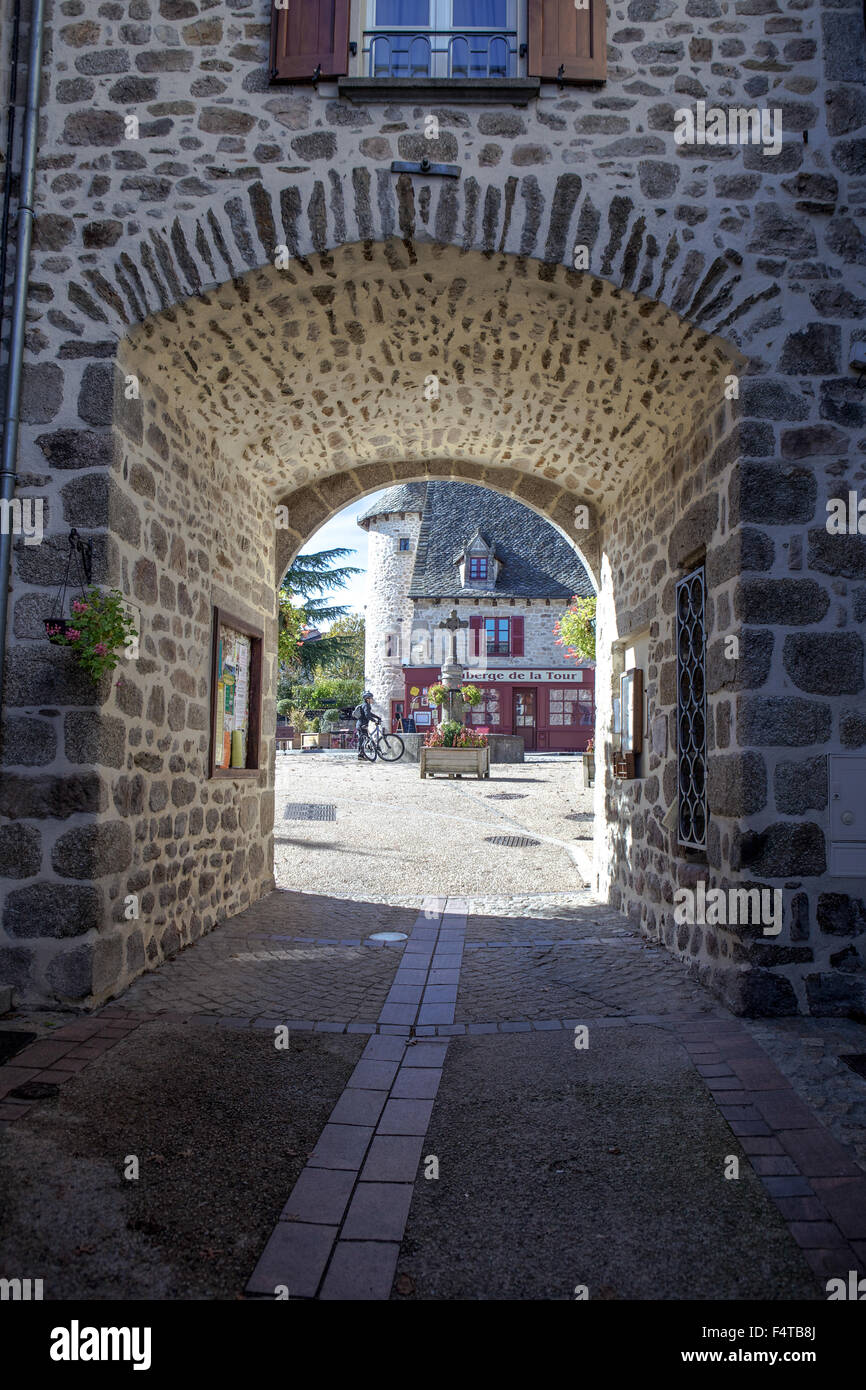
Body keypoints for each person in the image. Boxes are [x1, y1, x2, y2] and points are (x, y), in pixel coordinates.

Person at [352, 691, 380, 759]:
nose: (372, 699)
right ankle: (360, 755)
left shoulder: (365, 705)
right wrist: (374, 721)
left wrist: (377, 717)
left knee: (364, 739)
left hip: (362, 724)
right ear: (367, 699)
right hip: (362, 725)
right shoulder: (366, 705)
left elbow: (369, 714)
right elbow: (367, 715)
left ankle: (362, 754)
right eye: (371, 698)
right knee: (362, 739)